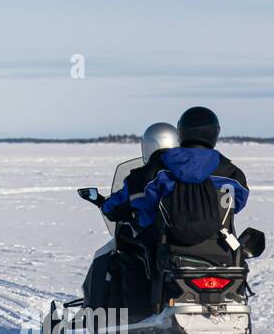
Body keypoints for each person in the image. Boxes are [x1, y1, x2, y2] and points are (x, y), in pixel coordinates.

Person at [103, 107, 250, 312]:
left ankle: (133, 323)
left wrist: (111, 207)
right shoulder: (232, 173)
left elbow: (131, 199)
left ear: (181, 133)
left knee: (129, 255)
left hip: (170, 250)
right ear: (214, 133)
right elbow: (239, 203)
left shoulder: (159, 169)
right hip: (221, 252)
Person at [80, 123, 178, 315]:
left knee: (123, 258)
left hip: (154, 244)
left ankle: (128, 317)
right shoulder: (190, 177)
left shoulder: (140, 178)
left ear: (150, 146)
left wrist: (103, 204)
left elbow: (114, 206)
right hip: (195, 243)